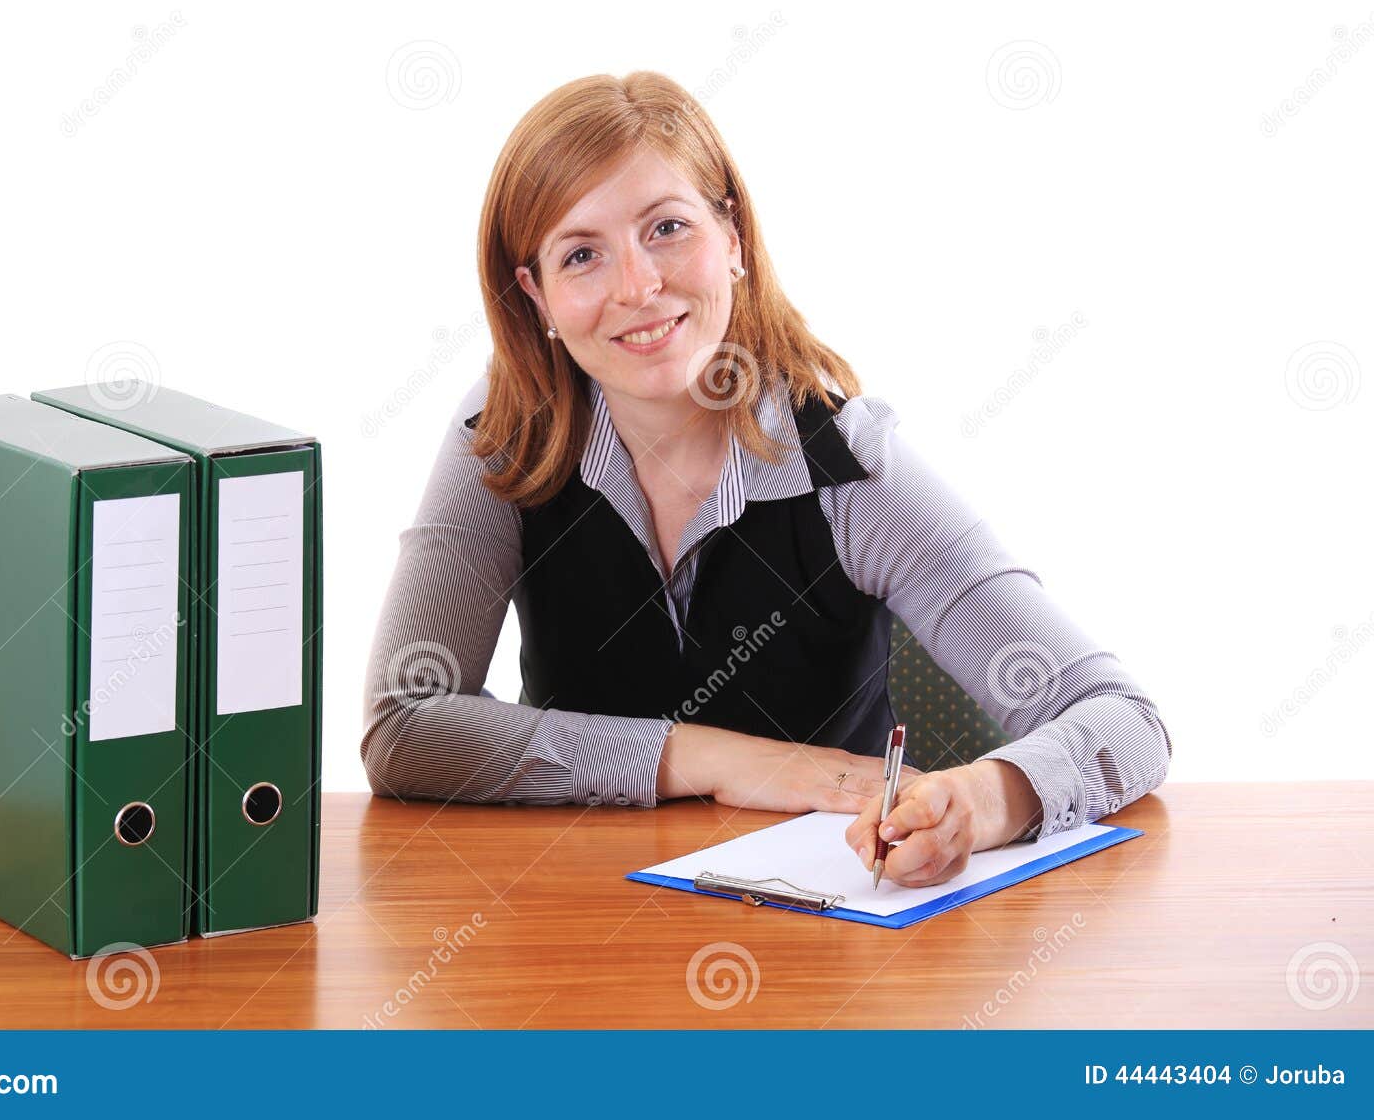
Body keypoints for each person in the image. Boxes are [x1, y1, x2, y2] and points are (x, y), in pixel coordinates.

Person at [362, 71, 1171, 888]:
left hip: (829, 939)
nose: (638, 287)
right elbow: (403, 723)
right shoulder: (508, 433)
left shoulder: (846, 464)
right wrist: (715, 760)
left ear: (734, 238)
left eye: (667, 228)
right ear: (535, 292)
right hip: (584, 922)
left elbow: (1124, 719)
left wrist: (987, 799)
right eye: (581, 254)